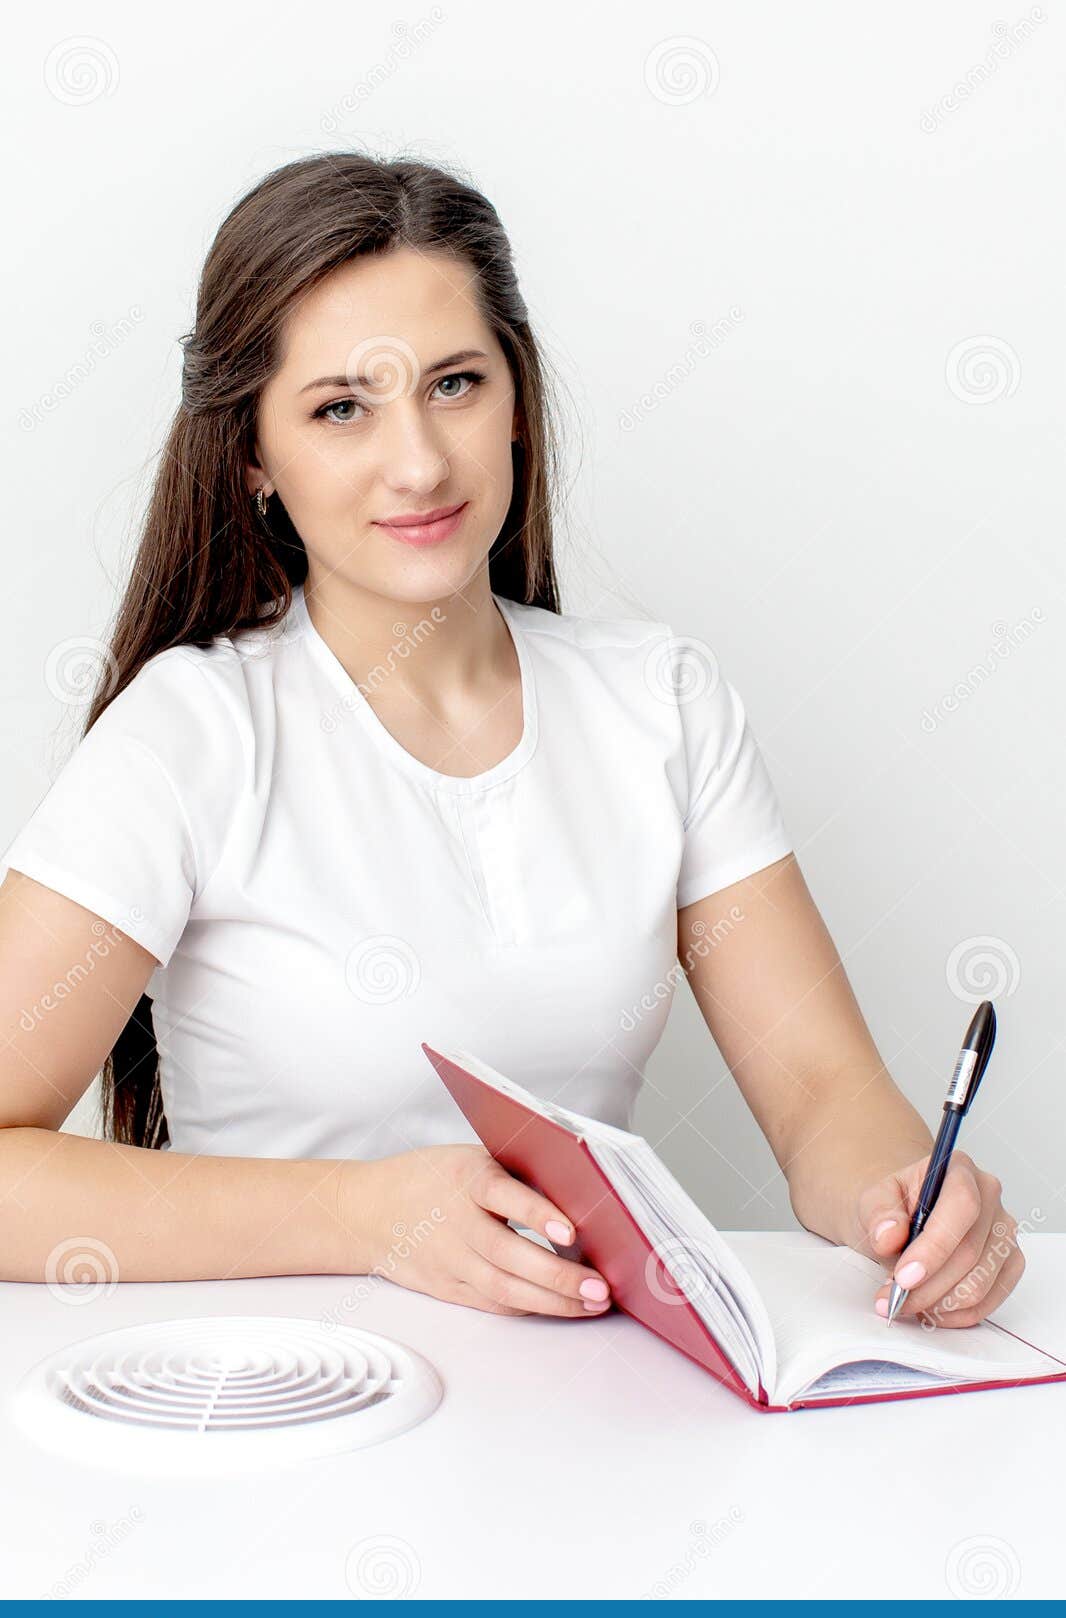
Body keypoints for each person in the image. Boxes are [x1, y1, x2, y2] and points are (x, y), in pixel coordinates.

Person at [0, 151, 1022, 1329]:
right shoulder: (193, 735)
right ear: (252, 461)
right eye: (341, 407)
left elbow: (821, 1090)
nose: (420, 462)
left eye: (455, 385)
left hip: (591, 1415)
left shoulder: (660, 704)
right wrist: (360, 1219)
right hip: (287, 1406)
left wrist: (905, 1203)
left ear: (518, 401)